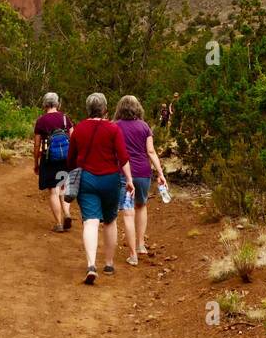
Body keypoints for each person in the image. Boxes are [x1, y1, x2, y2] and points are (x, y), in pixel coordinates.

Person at [67, 92, 134, 284]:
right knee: (110, 220)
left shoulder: (78, 129)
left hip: (87, 179)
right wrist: (129, 179)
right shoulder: (113, 129)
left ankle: (91, 265)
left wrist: (70, 177)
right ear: (105, 109)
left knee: (90, 222)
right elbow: (123, 157)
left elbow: (71, 159)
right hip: (111, 179)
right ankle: (109, 263)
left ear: (88, 109)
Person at [113, 95, 167, 265]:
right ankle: (141, 245)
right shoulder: (144, 127)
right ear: (138, 108)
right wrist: (160, 173)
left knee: (128, 212)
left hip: (122, 173)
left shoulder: (115, 126)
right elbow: (151, 152)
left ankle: (132, 255)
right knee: (141, 205)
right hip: (143, 172)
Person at [33, 93, 73, 232]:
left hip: (49, 159)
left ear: (44, 104)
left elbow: (37, 145)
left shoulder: (41, 121)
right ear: (57, 103)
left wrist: (36, 163)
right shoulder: (65, 118)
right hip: (65, 159)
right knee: (63, 187)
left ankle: (58, 224)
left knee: (53, 192)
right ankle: (67, 213)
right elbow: (73, 139)